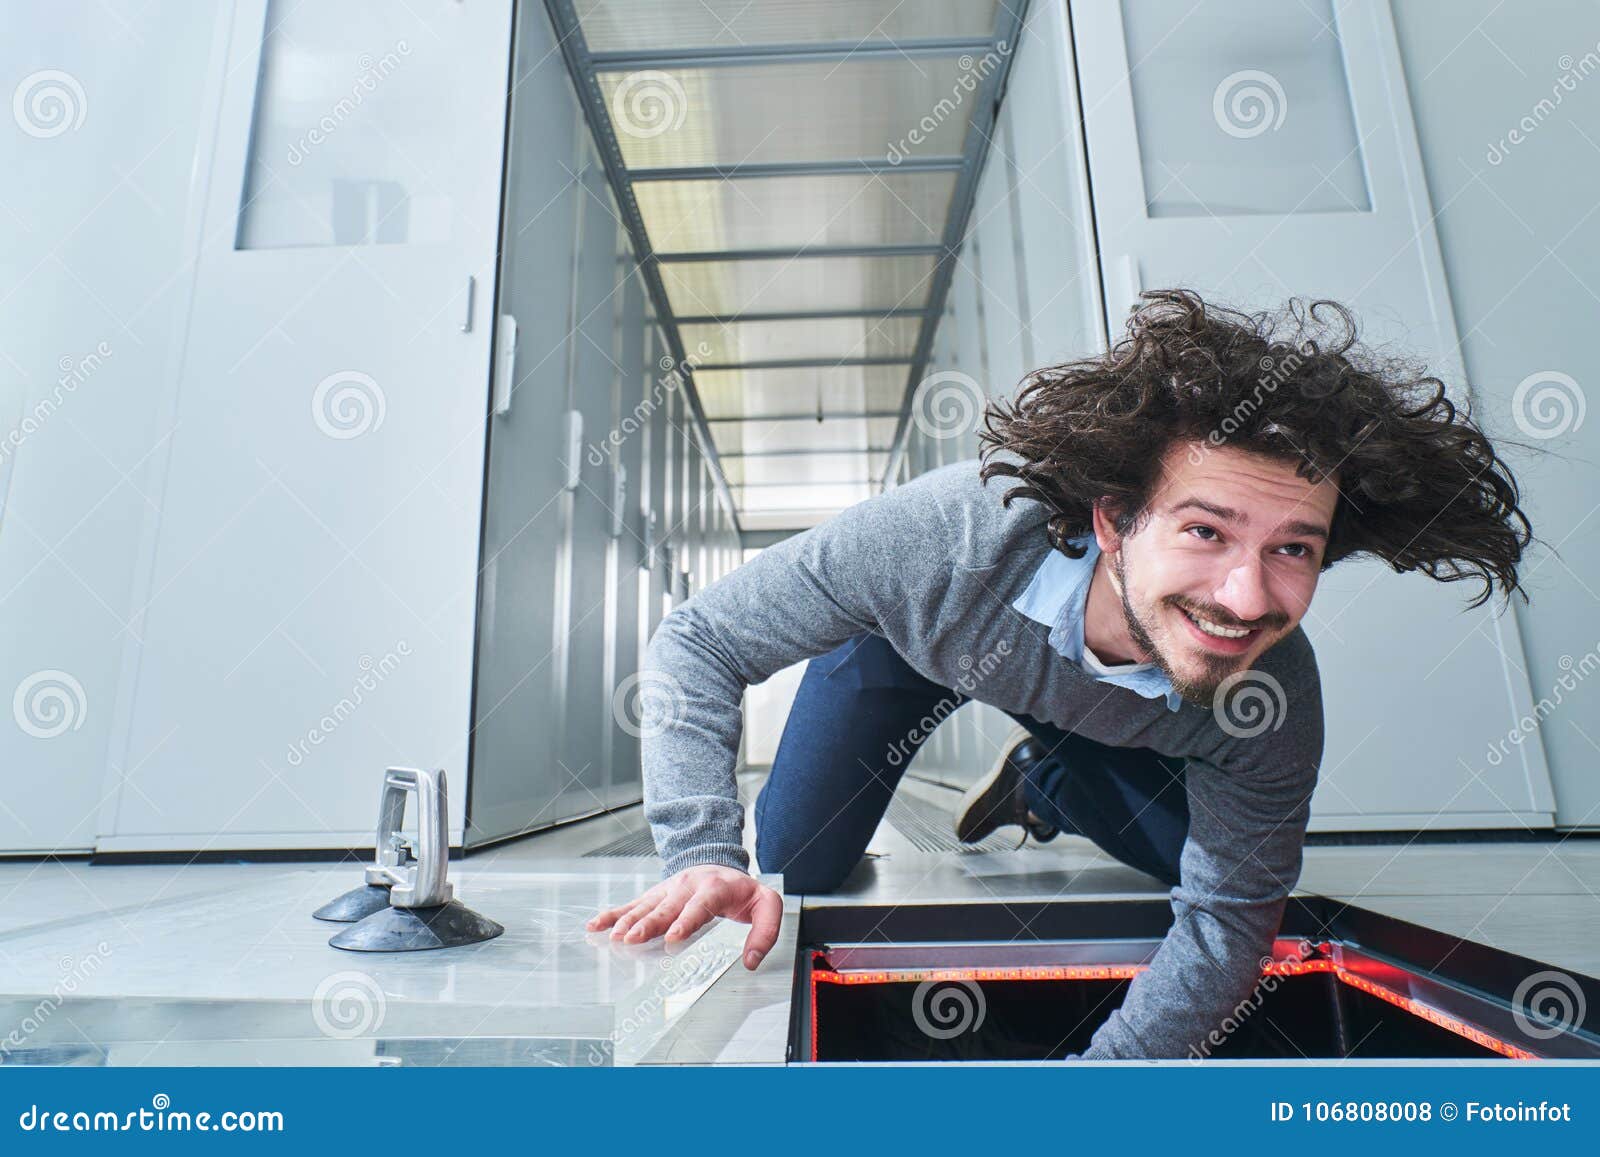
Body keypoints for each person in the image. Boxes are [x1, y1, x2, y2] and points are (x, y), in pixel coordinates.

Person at [586, 289, 1533, 1058]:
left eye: (1294, 548)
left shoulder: (1271, 696)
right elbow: (700, 642)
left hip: (1128, 709)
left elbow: (1225, 922)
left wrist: (1099, 1091)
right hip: (912, 659)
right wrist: (702, 848)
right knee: (799, 869)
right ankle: (1033, 751)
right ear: (1115, 518)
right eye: (1205, 530)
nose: (1247, 598)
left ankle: (1048, 778)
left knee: (1219, 871)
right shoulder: (937, 541)